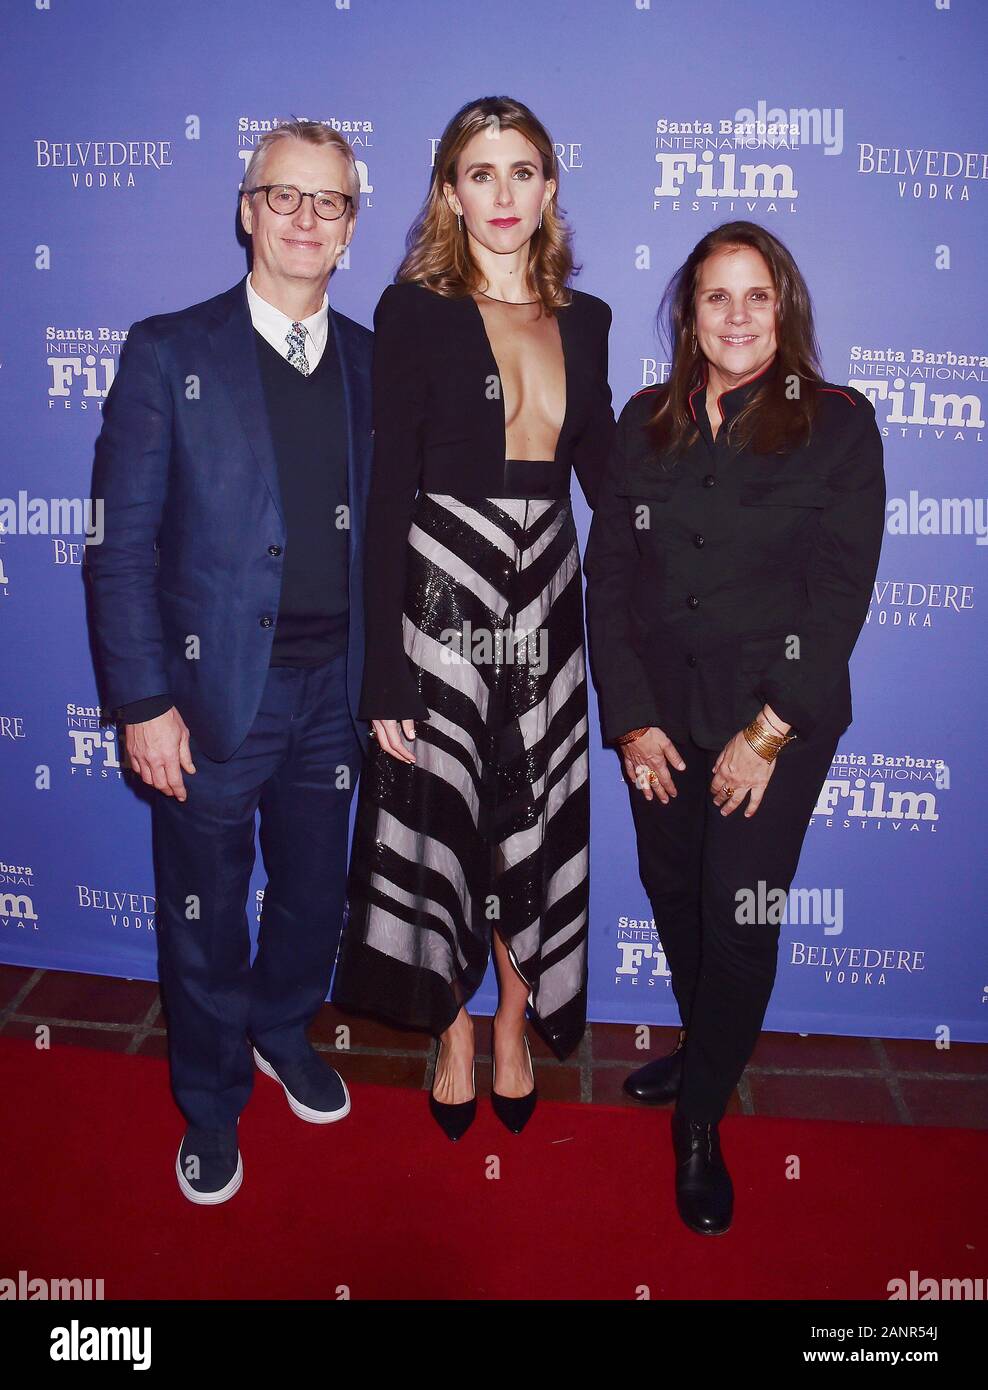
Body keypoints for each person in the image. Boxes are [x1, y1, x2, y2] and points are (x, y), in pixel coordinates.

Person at [86, 119, 373, 1204]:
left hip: (333, 694)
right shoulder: (169, 351)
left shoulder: (369, 361)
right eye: (283, 196)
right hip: (208, 701)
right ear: (246, 209)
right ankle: (209, 1104)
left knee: (309, 897)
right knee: (203, 910)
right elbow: (119, 545)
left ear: (349, 229)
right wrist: (144, 698)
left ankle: (281, 1029)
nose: (305, 218)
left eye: (329, 202)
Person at [583, 220, 885, 1234]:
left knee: (740, 911)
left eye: (757, 296)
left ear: (784, 307)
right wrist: (629, 720)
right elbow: (612, 582)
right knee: (676, 890)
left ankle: (701, 1121)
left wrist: (766, 733)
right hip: (661, 716)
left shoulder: (837, 424)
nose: (738, 316)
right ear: (689, 314)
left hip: (776, 727)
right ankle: (704, 1041)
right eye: (717, 297)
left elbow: (840, 597)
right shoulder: (642, 422)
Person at [331, 95, 615, 1141]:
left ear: (551, 186)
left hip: (546, 602)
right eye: (481, 173)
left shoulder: (587, 321)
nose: (504, 194)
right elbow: (385, 495)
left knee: (523, 814)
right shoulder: (413, 312)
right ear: (450, 192)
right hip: (439, 600)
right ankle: (447, 1023)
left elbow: (611, 476)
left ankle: (509, 1020)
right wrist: (383, 673)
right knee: (442, 812)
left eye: (523, 171)